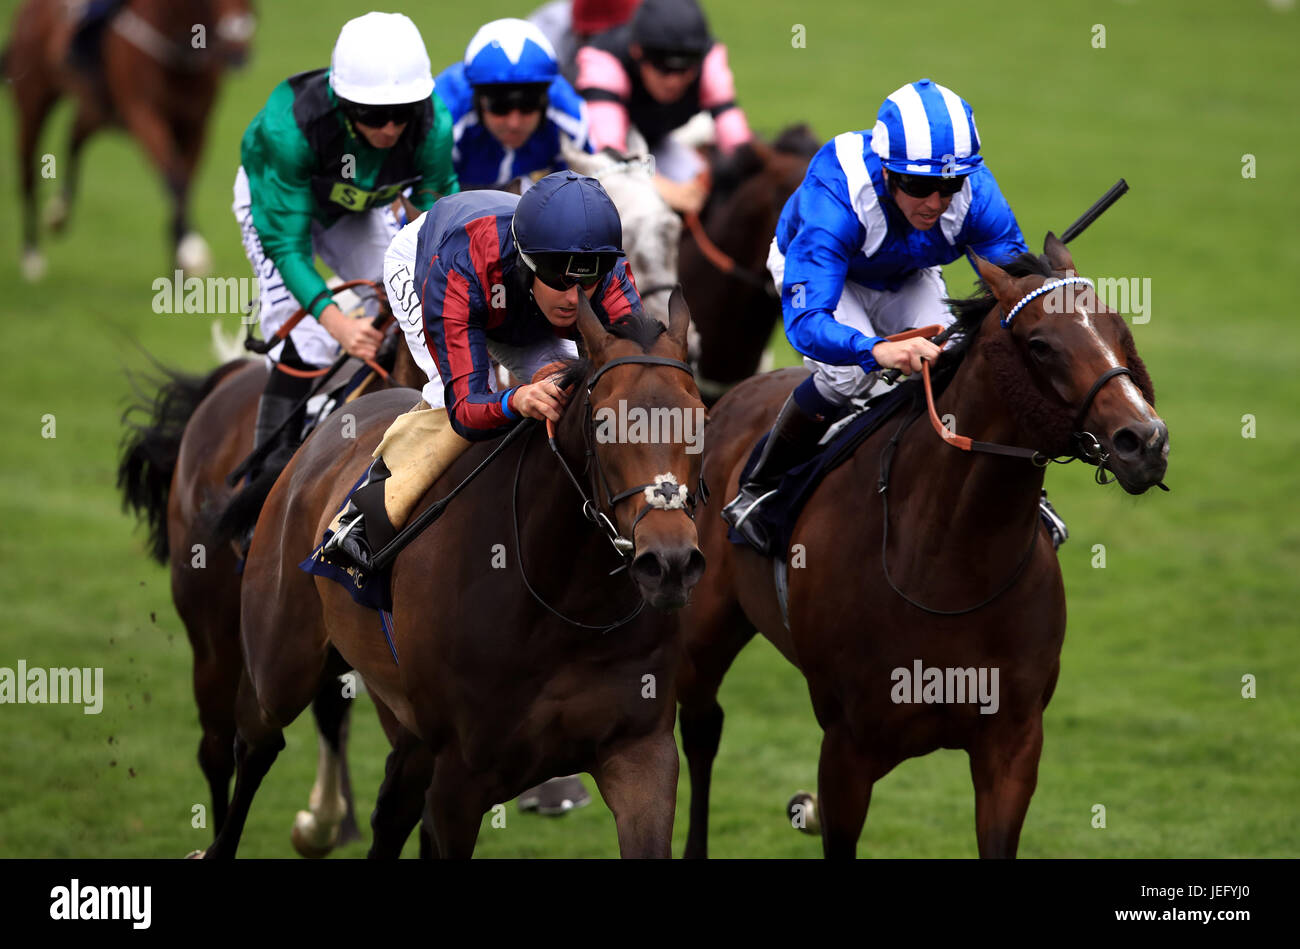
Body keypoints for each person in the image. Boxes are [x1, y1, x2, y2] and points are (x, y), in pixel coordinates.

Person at [722, 78, 1069, 552]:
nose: (935, 201)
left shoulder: (975, 194)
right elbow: (808, 324)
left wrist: (1046, 291)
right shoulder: (838, 190)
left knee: (962, 360)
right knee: (848, 379)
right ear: (887, 173)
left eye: (949, 185)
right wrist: (877, 349)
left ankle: (1026, 491)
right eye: (919, 185)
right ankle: (758, 487)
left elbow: (1012, 292)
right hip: (823, 274)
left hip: (905, 271)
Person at [320, 171, 641, 572]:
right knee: (457, 393)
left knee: (567, 393)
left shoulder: (608, 271)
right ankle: (362, 514)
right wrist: (515, 399)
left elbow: (637, 380)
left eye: (587, 278)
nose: (574, 296)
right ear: (528, 261)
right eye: (558, 276)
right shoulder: (460, 263)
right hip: (429, 264)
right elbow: (467, 408)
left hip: (513, 297)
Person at [234, 11, 457, 486]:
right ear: (342, 102)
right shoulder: (289, 129)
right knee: (309, 341)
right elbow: (289, 246)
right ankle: (262, 482)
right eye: (374, 116)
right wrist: (339, 323)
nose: (391, 128)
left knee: (413, 298)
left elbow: (439, 214)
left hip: (354, 206)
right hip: (278, 208)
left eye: (404, 112)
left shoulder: (433, 124)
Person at [574, 0, 752, 213]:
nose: (674, 81)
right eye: (662, 67)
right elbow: (608, 154)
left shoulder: (709, 58)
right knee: (644, 205)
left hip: (656, 142)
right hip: (586, 155)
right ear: (637, 51)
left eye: (685, 68)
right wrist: (663, 188)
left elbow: (736, 137)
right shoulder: (604, 59)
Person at [434, 18, 594, 191]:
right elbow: (421, 203)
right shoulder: (444, 122)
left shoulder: (571, 122)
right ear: (477, 98)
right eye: (499, 107)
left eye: (529, 105)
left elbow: (584, 199)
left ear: (545, 99)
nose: (514, 123)